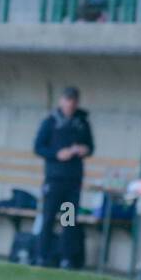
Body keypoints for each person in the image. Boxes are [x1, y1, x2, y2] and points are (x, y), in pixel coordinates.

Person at [33, 86, 94, 269]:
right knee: (49, 217)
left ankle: (65, 258)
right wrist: (57, 154)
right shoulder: (50, 122)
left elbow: (90, 146)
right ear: (61, 101)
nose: (70, 104)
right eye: (67, 100)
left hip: (72, 182)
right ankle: (41, 256)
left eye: (73, 101)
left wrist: (85, 149)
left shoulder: (82, 122)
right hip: (54, 180)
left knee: (68, 221)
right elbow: (38, 147)